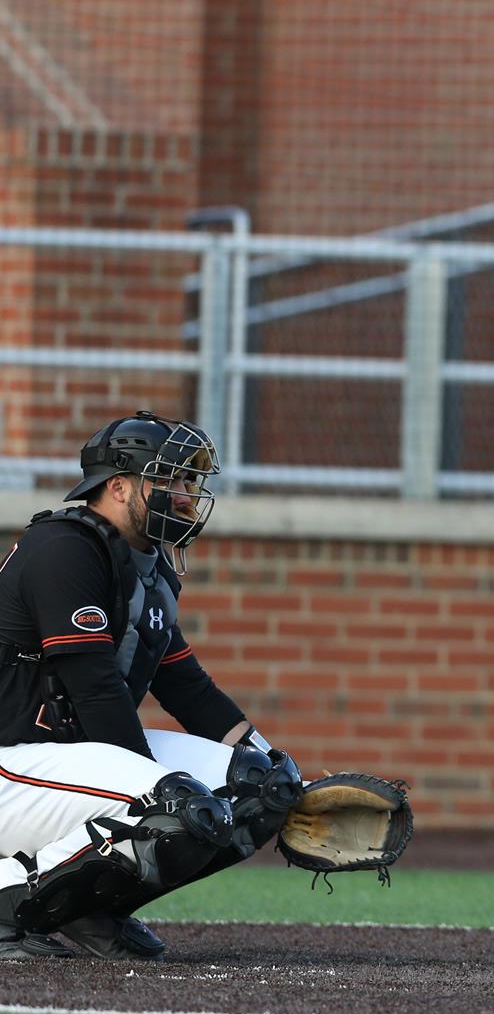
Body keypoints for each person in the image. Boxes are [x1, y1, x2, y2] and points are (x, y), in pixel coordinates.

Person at [0, 411, 303, 961]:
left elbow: (189, 689)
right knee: (175, 802)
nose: (186, 494)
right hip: (12, 762)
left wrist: (295, 785)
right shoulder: (63, 548)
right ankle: (5, 903)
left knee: (264, 790)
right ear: (117, 487)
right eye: (171, 479)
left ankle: (81, 907)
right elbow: (93, 687)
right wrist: (158, 788)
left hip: (62, 763)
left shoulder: (150, 570)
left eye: (190, 481)